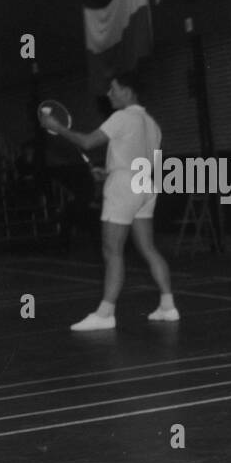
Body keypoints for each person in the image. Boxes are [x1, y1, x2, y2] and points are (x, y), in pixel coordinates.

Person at [41, 71, 179, 330]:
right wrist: (109, 171)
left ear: (127, 92)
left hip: (124, 187)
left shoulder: (121, 117)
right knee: (148, 248)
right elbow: (142, 159)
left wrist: (58, 128)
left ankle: (105, 313)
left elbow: (87, 142)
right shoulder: (152, 123)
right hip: (146, 184)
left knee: (112, 250)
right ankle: (168, 305)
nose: (109, 94)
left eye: (113, 89)